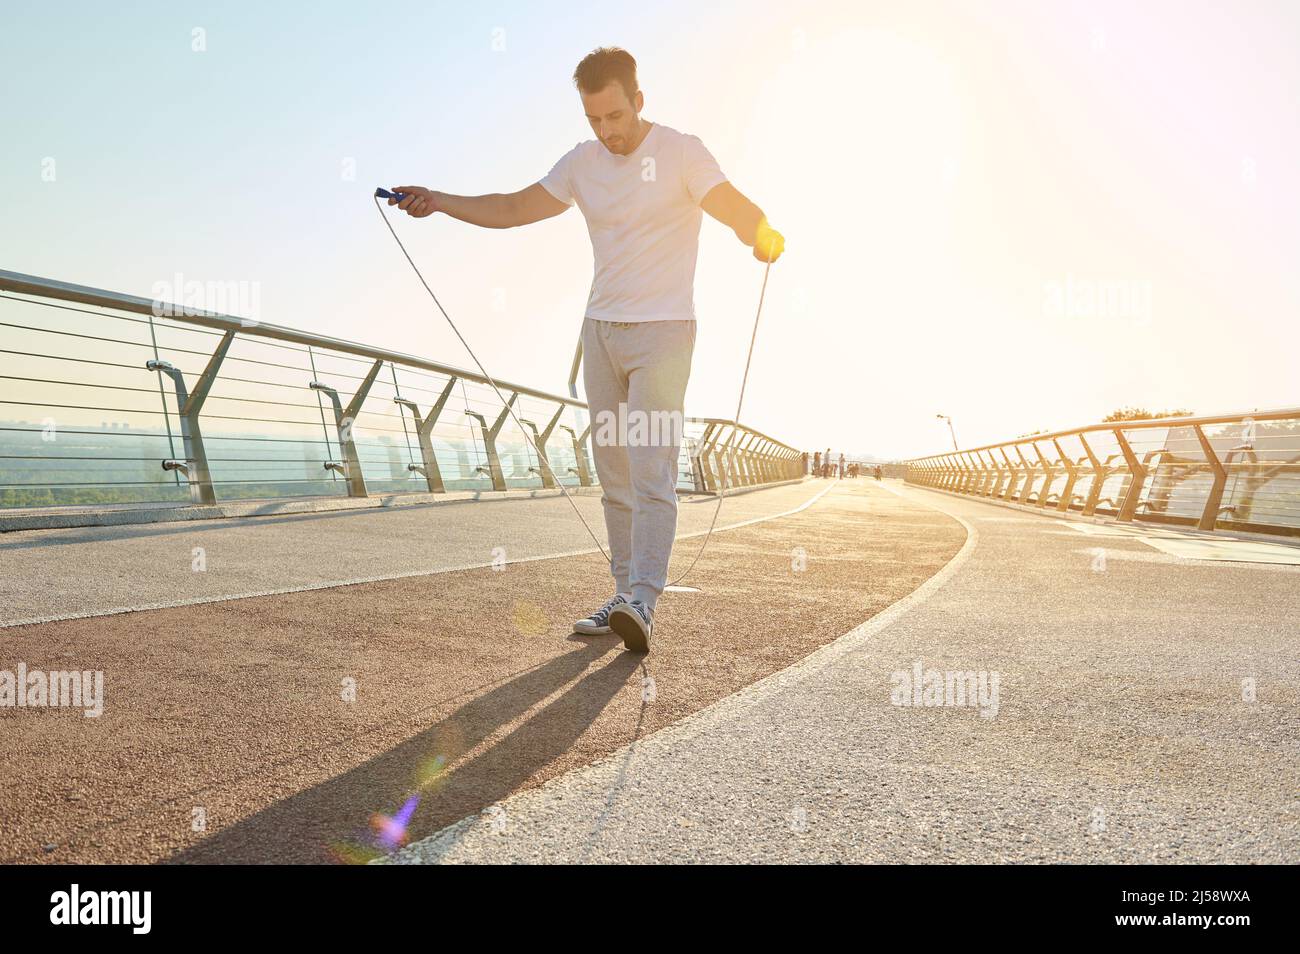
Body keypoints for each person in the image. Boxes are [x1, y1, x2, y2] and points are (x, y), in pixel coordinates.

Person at [387, 47, 784, 654]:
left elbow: (726, 200)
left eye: (616, 117)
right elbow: (515, 208)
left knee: (652, 470)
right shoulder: (582, 164)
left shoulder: (681, 151)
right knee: (614, 476)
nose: (607, 132)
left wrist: (759, 229)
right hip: (599, 335)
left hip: (664, 334)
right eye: (595, 120)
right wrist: (440, 200)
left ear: (639, 102)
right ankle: (623, 593)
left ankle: (645, 601)